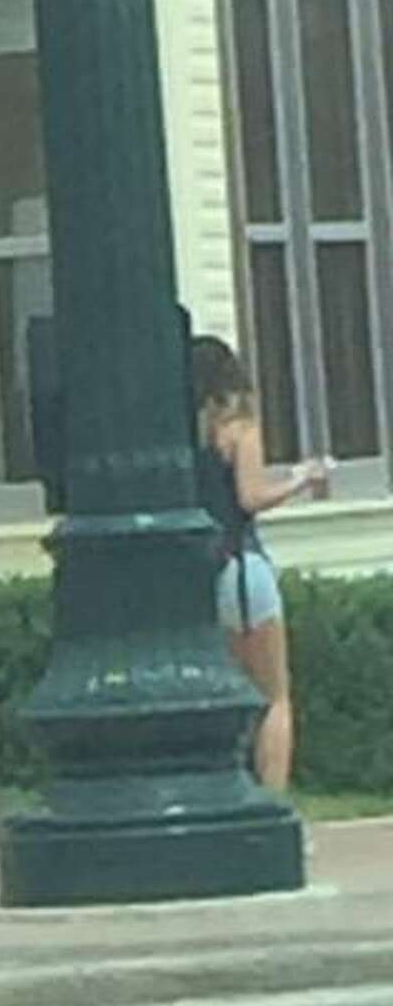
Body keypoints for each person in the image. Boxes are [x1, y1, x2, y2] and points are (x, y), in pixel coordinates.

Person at [191, 335, 331, 791]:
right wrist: (299, 479)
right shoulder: (240, 429)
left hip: (206, 572)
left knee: (231, 694)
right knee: (275, 696)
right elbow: (250, 497)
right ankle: (272, 800)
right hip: (245, 565)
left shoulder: (187, 440)